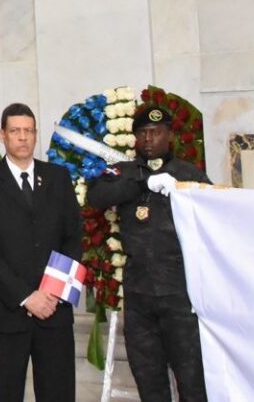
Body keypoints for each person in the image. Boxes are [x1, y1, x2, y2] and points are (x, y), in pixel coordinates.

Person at [86, 102, 211, 402]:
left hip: (179, 294)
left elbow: (214, 217)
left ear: (170, 135)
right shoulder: (124, 172)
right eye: (142, 133)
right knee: (148, 379)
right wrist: (143, 182)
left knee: (192, 380)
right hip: (139, 294)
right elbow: (97, 195)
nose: (148, 139)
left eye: (156, 132)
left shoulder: (188, 174)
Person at [0, 103, 82, 402]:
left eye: (28, 131)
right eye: (16, 131)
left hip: (54, 310)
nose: (23, 137)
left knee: (58, 394)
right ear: (2, 135)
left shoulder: (58, 178)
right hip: (7, 313)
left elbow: (73, 239)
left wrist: (51, 292)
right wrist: (26, 296)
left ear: (35, 134)